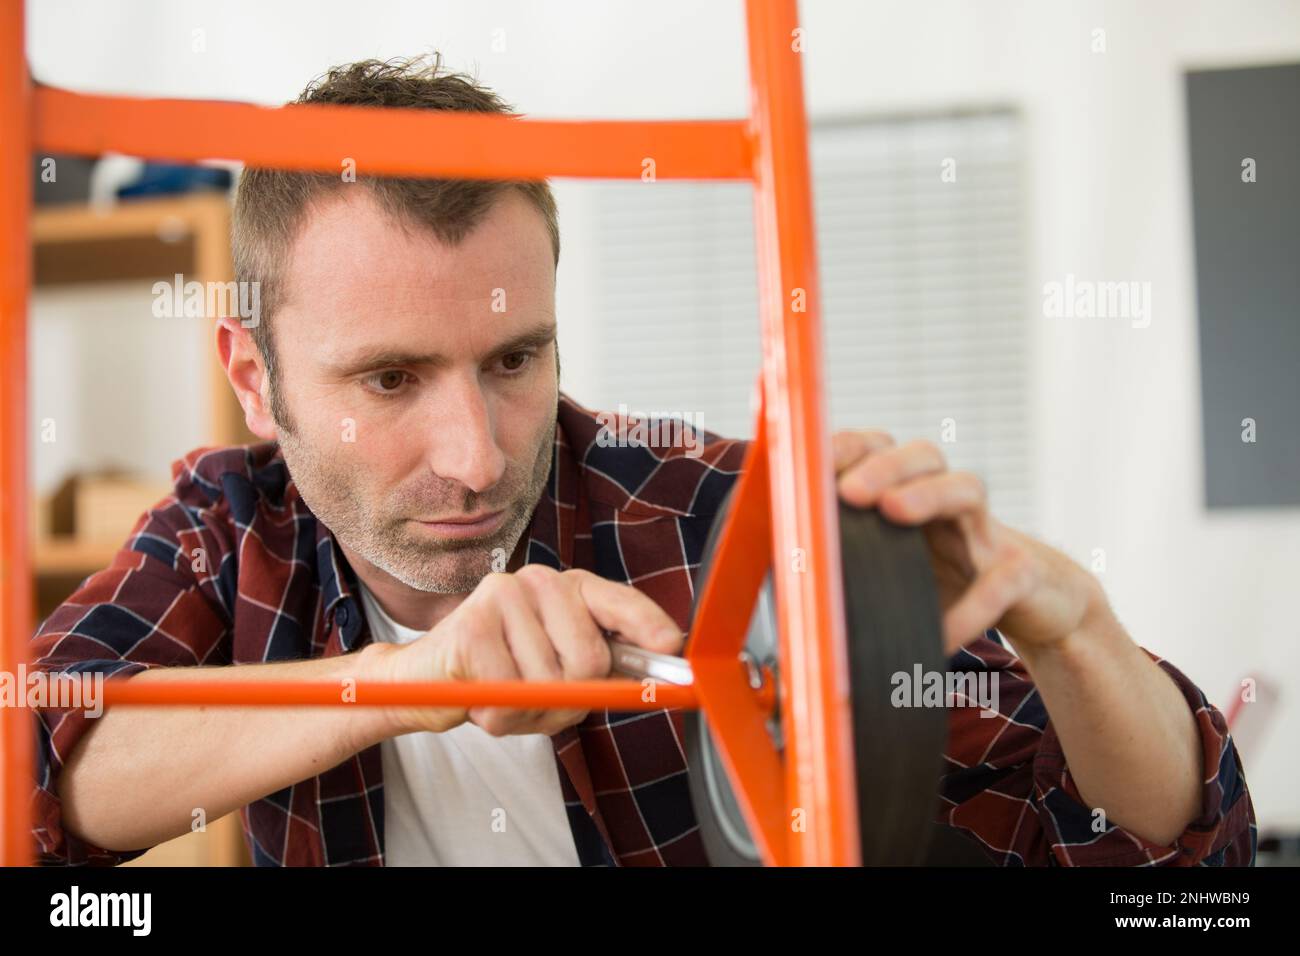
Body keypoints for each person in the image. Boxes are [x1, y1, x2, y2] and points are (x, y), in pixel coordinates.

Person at [30, 55, 1255, 867]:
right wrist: (404, 680)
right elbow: (40, 766)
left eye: (514, 361)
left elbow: (1146, 852)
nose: (474, 455)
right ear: (255, 375)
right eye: (391, 380)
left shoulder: (726, 521)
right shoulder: (225, 522)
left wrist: (1077, 628)